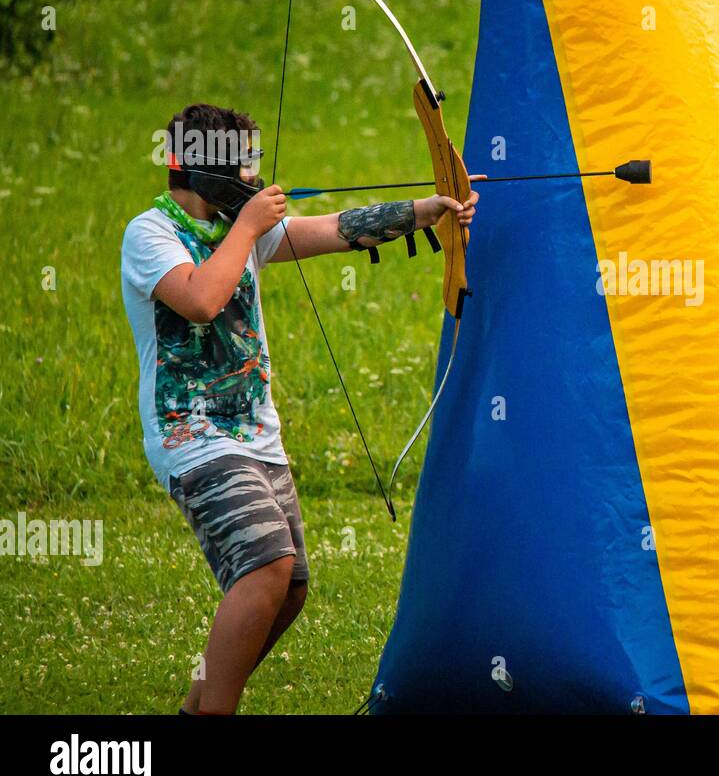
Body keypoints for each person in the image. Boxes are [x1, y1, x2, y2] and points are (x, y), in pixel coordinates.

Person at [120, 102, 479, 714]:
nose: (256, 180)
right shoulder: (149, 234)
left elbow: (336, 229)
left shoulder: (242, 228)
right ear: (201, 172)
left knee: (289, 590)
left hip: (256, 435)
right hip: (192, 436)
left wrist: (428, 210)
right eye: (245, 169)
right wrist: (249, 228)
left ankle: (197, 705)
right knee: (267, 565)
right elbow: (202, 300)